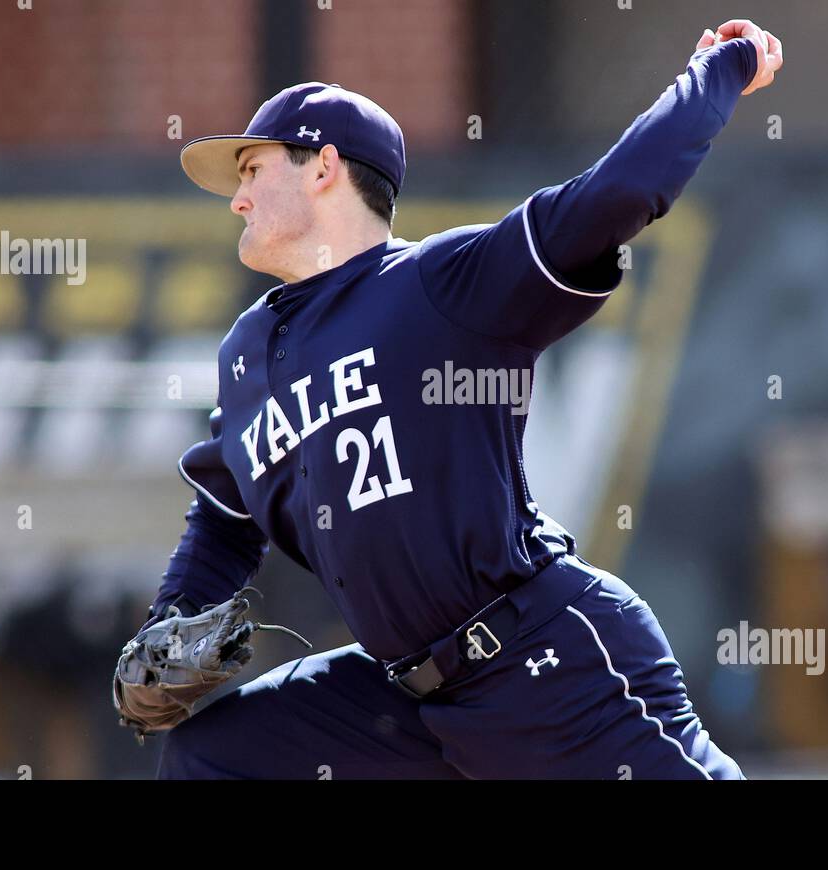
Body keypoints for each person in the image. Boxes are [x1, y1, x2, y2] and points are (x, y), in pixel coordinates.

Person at [127, 18, 782, 779]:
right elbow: (226, 514)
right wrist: (170, 622)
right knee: (214, 758)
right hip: (398, 707)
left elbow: (616, 193)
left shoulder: (442, 287)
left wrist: (719, 68)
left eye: (251, 170)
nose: (237, 200)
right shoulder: (246, 355)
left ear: (323, 167)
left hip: (542, 665)